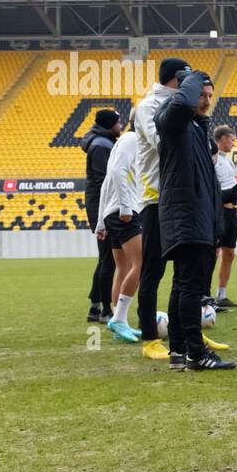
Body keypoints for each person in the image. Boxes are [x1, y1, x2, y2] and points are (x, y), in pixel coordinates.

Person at [154, 69, 235, 370]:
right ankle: (196, 353)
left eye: (210, 96)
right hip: (186, 215)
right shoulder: (172, 120)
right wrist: (193, 76)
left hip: (194, 215)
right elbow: (179, 104)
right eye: (201, 95)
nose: (205, 101)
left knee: (182, 285)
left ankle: (179, 351)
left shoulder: (194, 128)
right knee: (190, 286)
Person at [133, 57, 190, 361]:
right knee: (153, 270)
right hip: (156, 199)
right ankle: (150, 338)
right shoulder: (147, 107)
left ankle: (186, 330)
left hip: (180, 198)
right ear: (177, 78)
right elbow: (164, 143)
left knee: (186, 272)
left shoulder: (184, 104)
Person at [97, 127, 142, 343]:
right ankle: (120, 319)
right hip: (125, 212)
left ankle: (118, 322)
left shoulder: (123, 141)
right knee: (140, 264)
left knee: (123, 268)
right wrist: (126, 207)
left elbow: (107, 182)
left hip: (113, 212)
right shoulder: (133, 139)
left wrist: (100, 221)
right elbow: (115, 173)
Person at [82, 108, 120, 323]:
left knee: (106, 258)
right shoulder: (101, 146)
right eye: (117, 122)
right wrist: (103, 219)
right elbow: (103, 182)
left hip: (101, 207)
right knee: (108, 259)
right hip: (102, 209)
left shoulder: (101, 143)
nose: (120, 126)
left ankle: (95, 307)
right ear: (109, 125)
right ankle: (105, 309)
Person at [212, 124, 237, 308]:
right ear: (223, 138)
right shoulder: (214, 158)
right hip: (218, 212)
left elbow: (229, 183)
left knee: (229, 252)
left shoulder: (228, 161)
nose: (234, 143)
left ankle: (221, 295)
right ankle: (205, 295)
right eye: (232, 139)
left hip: (231, 211)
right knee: (213, 253)